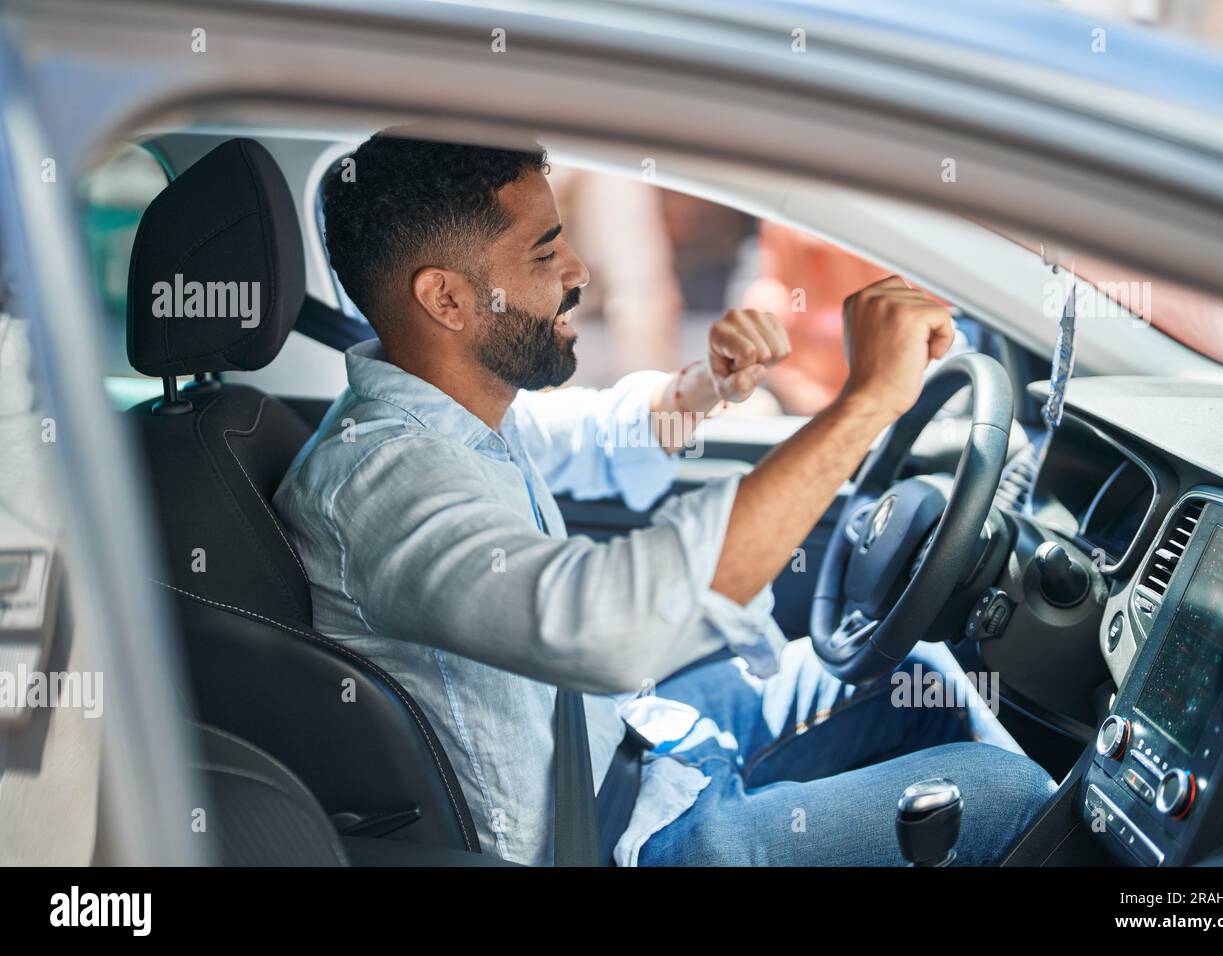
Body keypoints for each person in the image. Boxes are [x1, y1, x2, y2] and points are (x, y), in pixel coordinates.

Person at [273, 130, 1055, 867]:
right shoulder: (378, 482)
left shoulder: (449, 413)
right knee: (1012, 798)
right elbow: (606, 628)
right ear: (446, 300)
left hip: (627, 740)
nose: (580, 271)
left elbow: (597, 434)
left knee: (918, 669)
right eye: (547, 250)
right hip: (611, 834)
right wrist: (865, 404)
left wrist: (705, 388)